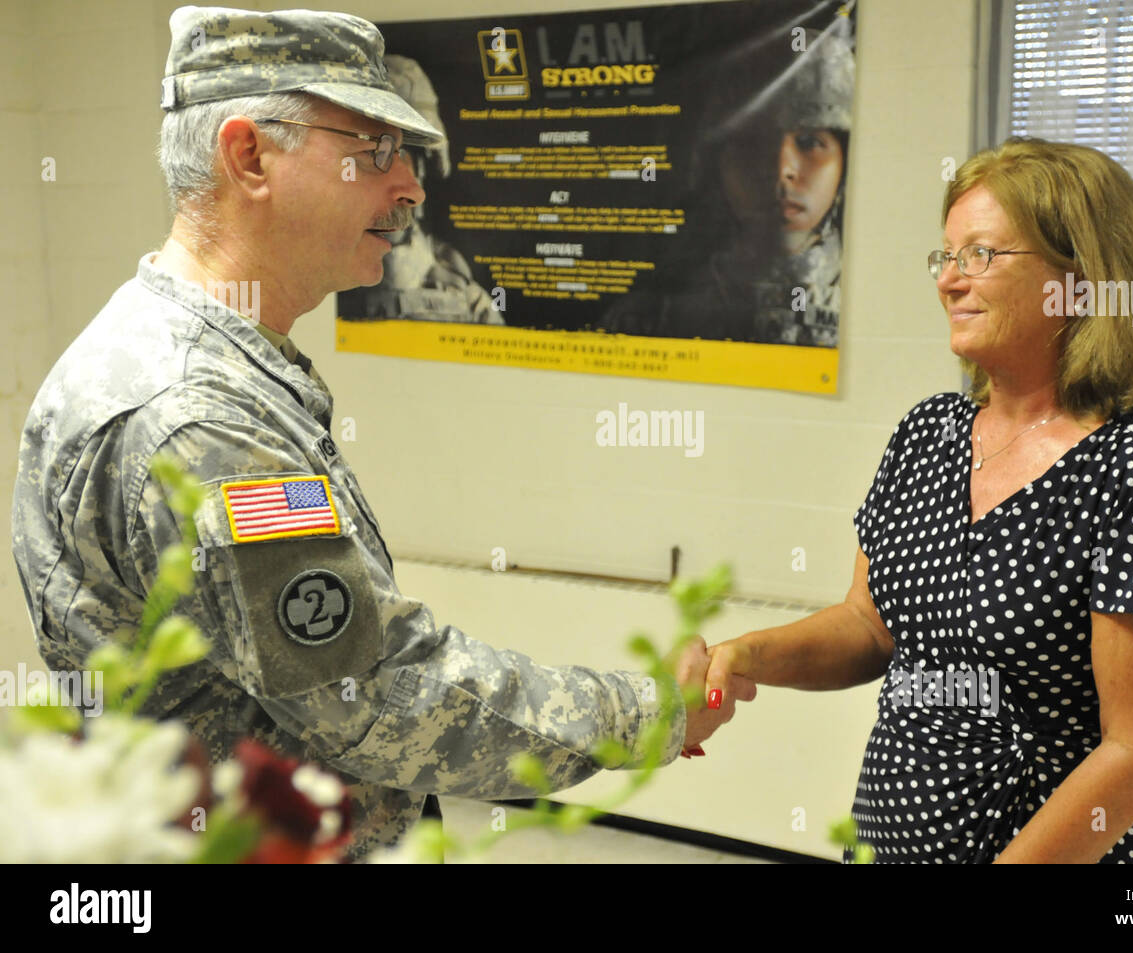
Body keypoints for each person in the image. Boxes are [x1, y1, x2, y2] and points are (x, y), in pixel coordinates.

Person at [9, 5, 752, 862]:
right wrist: (643, 713)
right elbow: (377, 694)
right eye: (373, 149)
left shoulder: (185, 351)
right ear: (249, 155)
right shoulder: (198, 416)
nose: (410, 186)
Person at [704, 137, 1133, 863]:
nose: (949, 281)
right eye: (944, 256)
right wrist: (742, 657)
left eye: (981, 255)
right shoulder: (929, 433)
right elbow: (869, 624)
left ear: (1079, 280)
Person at [599, 23, 852, 347]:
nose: (782, 170)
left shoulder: (870, 300)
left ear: (843, 161)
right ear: (717, 163)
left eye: (809, 142)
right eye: (753, 144)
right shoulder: (652, 312)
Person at [337, 54, 502, 325]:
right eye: (373, 155)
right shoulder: (317, 267)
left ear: (423, 169)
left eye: (403, 155)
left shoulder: (465, 297)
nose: (395, 179)